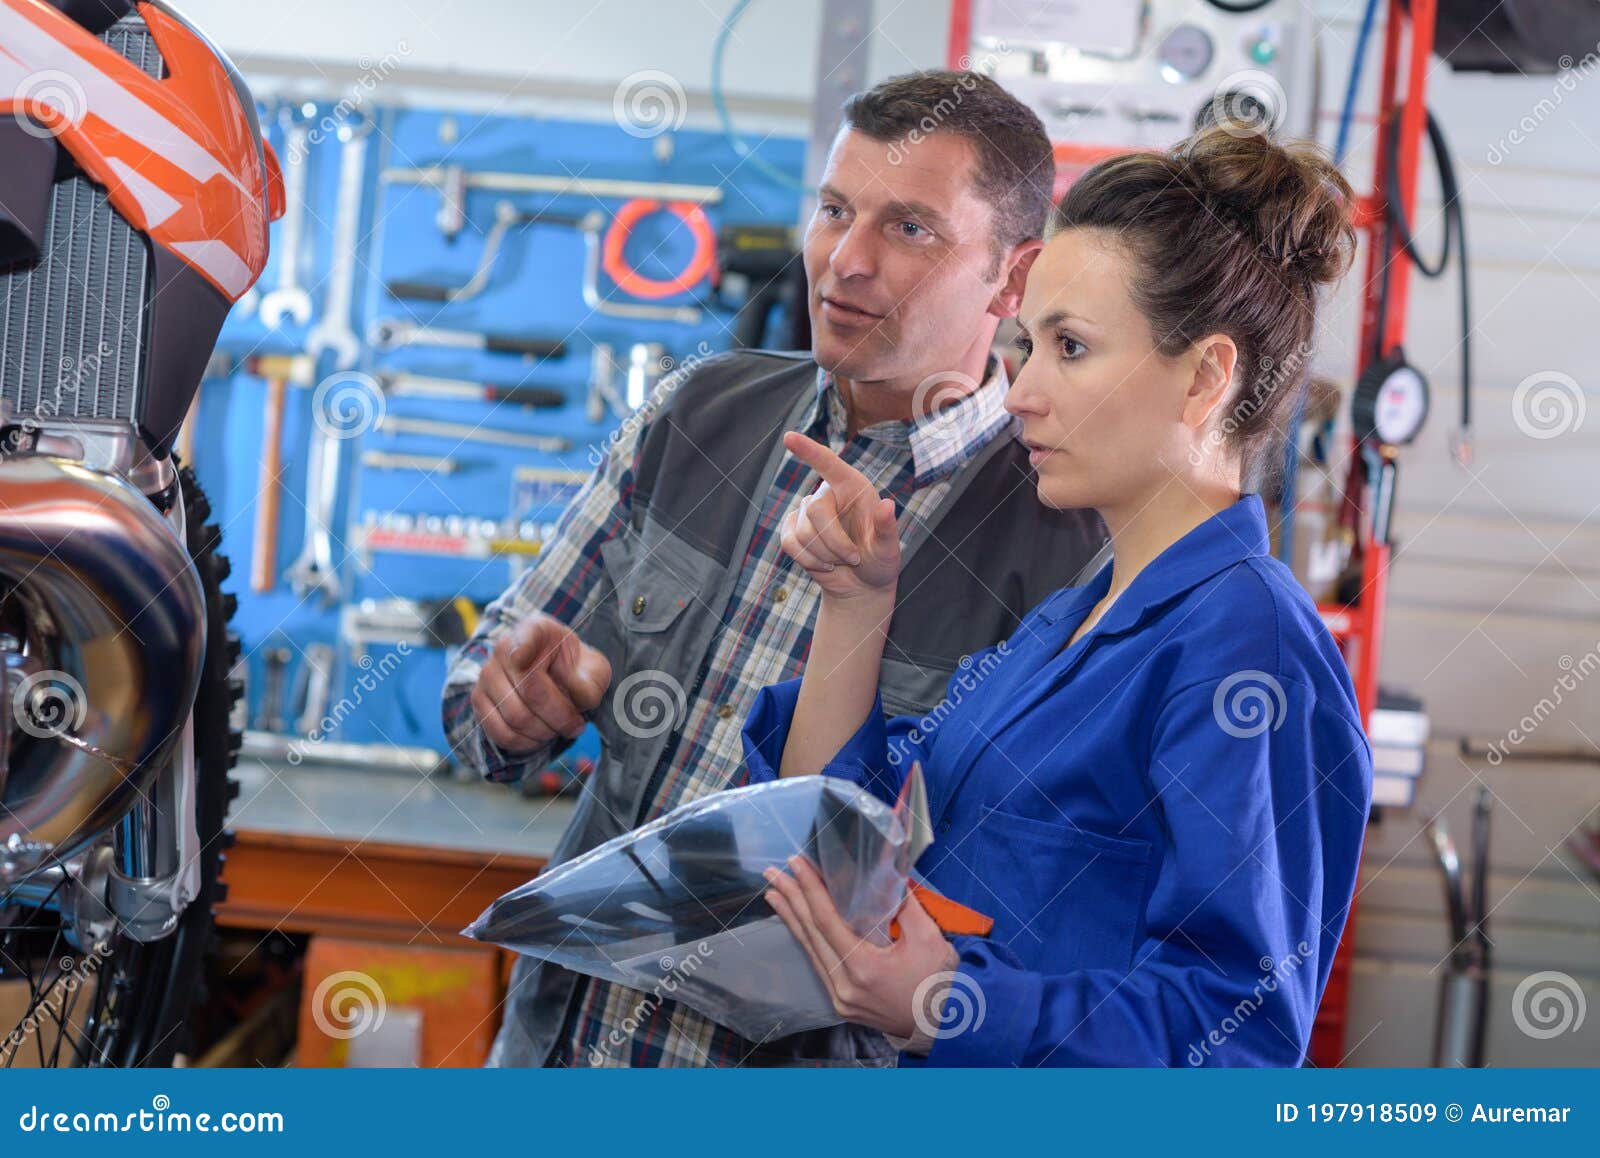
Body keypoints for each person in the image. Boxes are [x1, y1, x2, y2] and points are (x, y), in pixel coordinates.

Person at [440, 70, 1108, 1067]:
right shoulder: (696, 414)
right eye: (835, 210)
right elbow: (478, 714)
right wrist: (509, 704)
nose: (847, 260)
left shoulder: (1069, 550)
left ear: (1013, 281)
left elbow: (1028, 928)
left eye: (909, 229)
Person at [743, 126, 1375, 1066]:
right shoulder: (1069, 623)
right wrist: (855, 606)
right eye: (1026, 345)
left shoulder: (1248, 648)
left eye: (1071, 347)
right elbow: (852, 840)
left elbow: (1235, 1042)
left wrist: (951, 1005)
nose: (1021, 393)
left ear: (1205, 378)